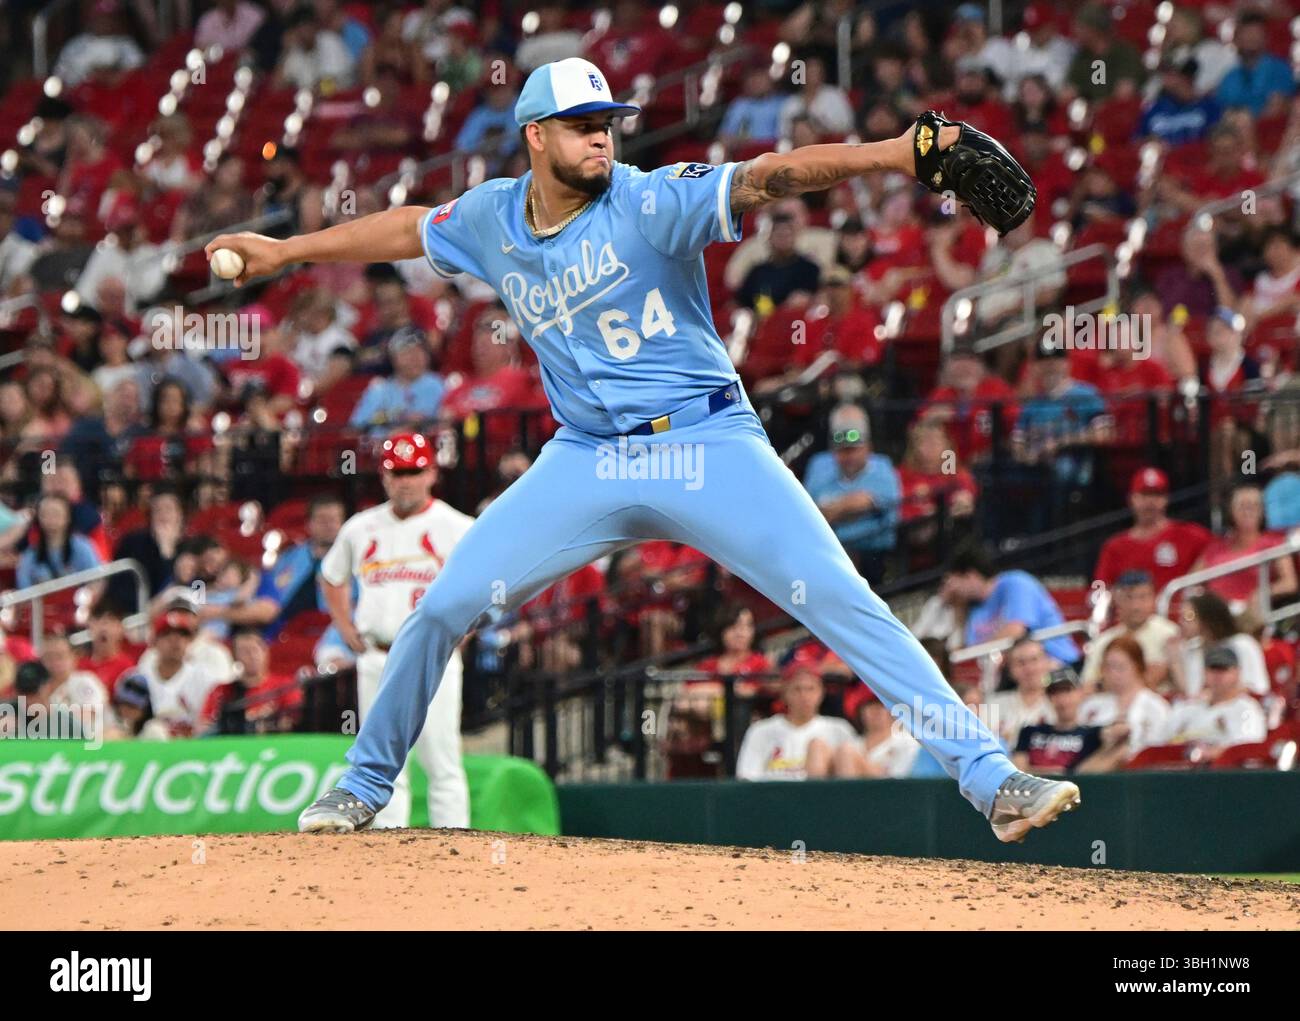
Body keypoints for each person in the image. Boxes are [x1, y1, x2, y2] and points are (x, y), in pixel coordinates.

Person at [209, 55, 1080, 842]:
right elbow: (403, 228)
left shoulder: (650, 198)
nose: (603, 137)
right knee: (441, 607)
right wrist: (285, 252)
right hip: (586, 457)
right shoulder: (490, 218)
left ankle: (989, 777)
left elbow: (771, 177)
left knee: (843, 597)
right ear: (536, 135)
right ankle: (363, 784)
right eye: (585, 125)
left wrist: (894, 154)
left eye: (610, 123)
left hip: (706, 442)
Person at [319, 432, 473, 829]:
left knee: (442, 761)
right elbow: (331, 576)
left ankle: (455, 848)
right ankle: (389, 854)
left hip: (434, 659)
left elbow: (482, 587)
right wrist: (344, 624)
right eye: (397, 472)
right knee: (384, 763)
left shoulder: (457, 525)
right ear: (384, 478)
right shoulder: (361, 527)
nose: (405, 480)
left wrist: (465, 631)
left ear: (431, 474)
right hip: (378, 656)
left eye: (413, 471)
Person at [802, 405, 900, 585]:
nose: (848, 457)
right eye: (842, 450)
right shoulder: (819, 466)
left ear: (868, 447)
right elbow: (810, 515)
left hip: (873, 555)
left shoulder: (882, 468)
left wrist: (836, 510)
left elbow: (871, 505)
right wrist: (851, 507)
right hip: (829, 556)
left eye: (854, 449)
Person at [942, 546, 1079, 666]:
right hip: (1011, 675)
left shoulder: (1015, 582)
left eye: (954, 581)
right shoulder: (974, 607)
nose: (953, 588)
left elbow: (1015, 631)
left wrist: (969, 653)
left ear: (971, 575)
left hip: (1057, 664)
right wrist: (956, 605)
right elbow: (971, 650)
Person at [1094, 467, 1212, 592]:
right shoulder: (1114, 546)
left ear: (1166, 499)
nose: (1150, 501)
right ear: (1131, 499)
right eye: (1144, 494)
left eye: (1157, 495)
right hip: (1134, 609)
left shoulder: (1192, 535)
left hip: (1176, 610)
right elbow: (1099, 587)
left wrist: (1192, 584)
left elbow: (1220, 554)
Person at [734, 662, 857, 780]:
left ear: (821, 693)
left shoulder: (839, 728)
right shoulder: (761, 730)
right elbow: (747, 775)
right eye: (797, 689)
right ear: (784, 694)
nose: (804, 696)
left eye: (810, 689)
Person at [1192, 483, 1296, 610]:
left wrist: (1263, 592)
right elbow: (1190, 582)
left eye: (1255, 506)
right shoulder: (1215, 548)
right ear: (1231, 511)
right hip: (1218, 614)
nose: (1248, 511)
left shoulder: (1273, 543)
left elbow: (1290, 583)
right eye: (1242, 506)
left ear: (1262, 512)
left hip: (1253, 614)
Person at [1079, 570, 1179, 691]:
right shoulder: (1104, 641)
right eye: (1129, 597)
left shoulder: (1170, 633)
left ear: (1153, 598)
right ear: (1117, 599)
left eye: (1143, 597)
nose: (1136, 606)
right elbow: (1086, 686)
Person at [1163, 644, 1268, 754]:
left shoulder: (1246, 709)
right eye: (1213, 669)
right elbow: (1163, 740)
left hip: (1220, 769)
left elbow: (1246, 750)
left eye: (1223, 669)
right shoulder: (1189, 708)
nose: (1217, 675)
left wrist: (1211, 753)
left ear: (1237, 672)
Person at [1078, 635, 1171, 755]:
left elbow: (1159, 749)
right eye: (1108, 667)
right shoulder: (1091, 705)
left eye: (1120, 667)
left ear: (1137, 666)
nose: (1113, 674)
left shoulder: (1156, 706)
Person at [1012, 668, 1115, 775]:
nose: (1062, 699)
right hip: (1035, 789)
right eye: (1054, 693)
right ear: (1048, 698)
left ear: (1080, 693)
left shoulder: (1092, 734)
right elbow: (1019, 771)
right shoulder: (1029, 731)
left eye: (1067, 690)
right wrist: (1062, 773)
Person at [15, 494, 103, 589]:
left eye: (56, 514)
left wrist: (87, 601)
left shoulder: (83, 547)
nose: (50, 520)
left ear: (68, 517)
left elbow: (97, 581)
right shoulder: (30, 556)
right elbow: (24, 591)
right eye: (44, 514)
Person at [834, 685, 920, 778]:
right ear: (860, 710)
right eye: (869, 704)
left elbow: (898, 782)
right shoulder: (854, 743)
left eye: (882, 705)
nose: (876, 710)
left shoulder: (907, 742)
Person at [989, 637, 1056, 749]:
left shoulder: (1061, 702)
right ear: (1010, 670)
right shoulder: (994, 703)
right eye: (1021, 663)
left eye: (1034, 660)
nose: (1029, 669)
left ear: (1047, 662)